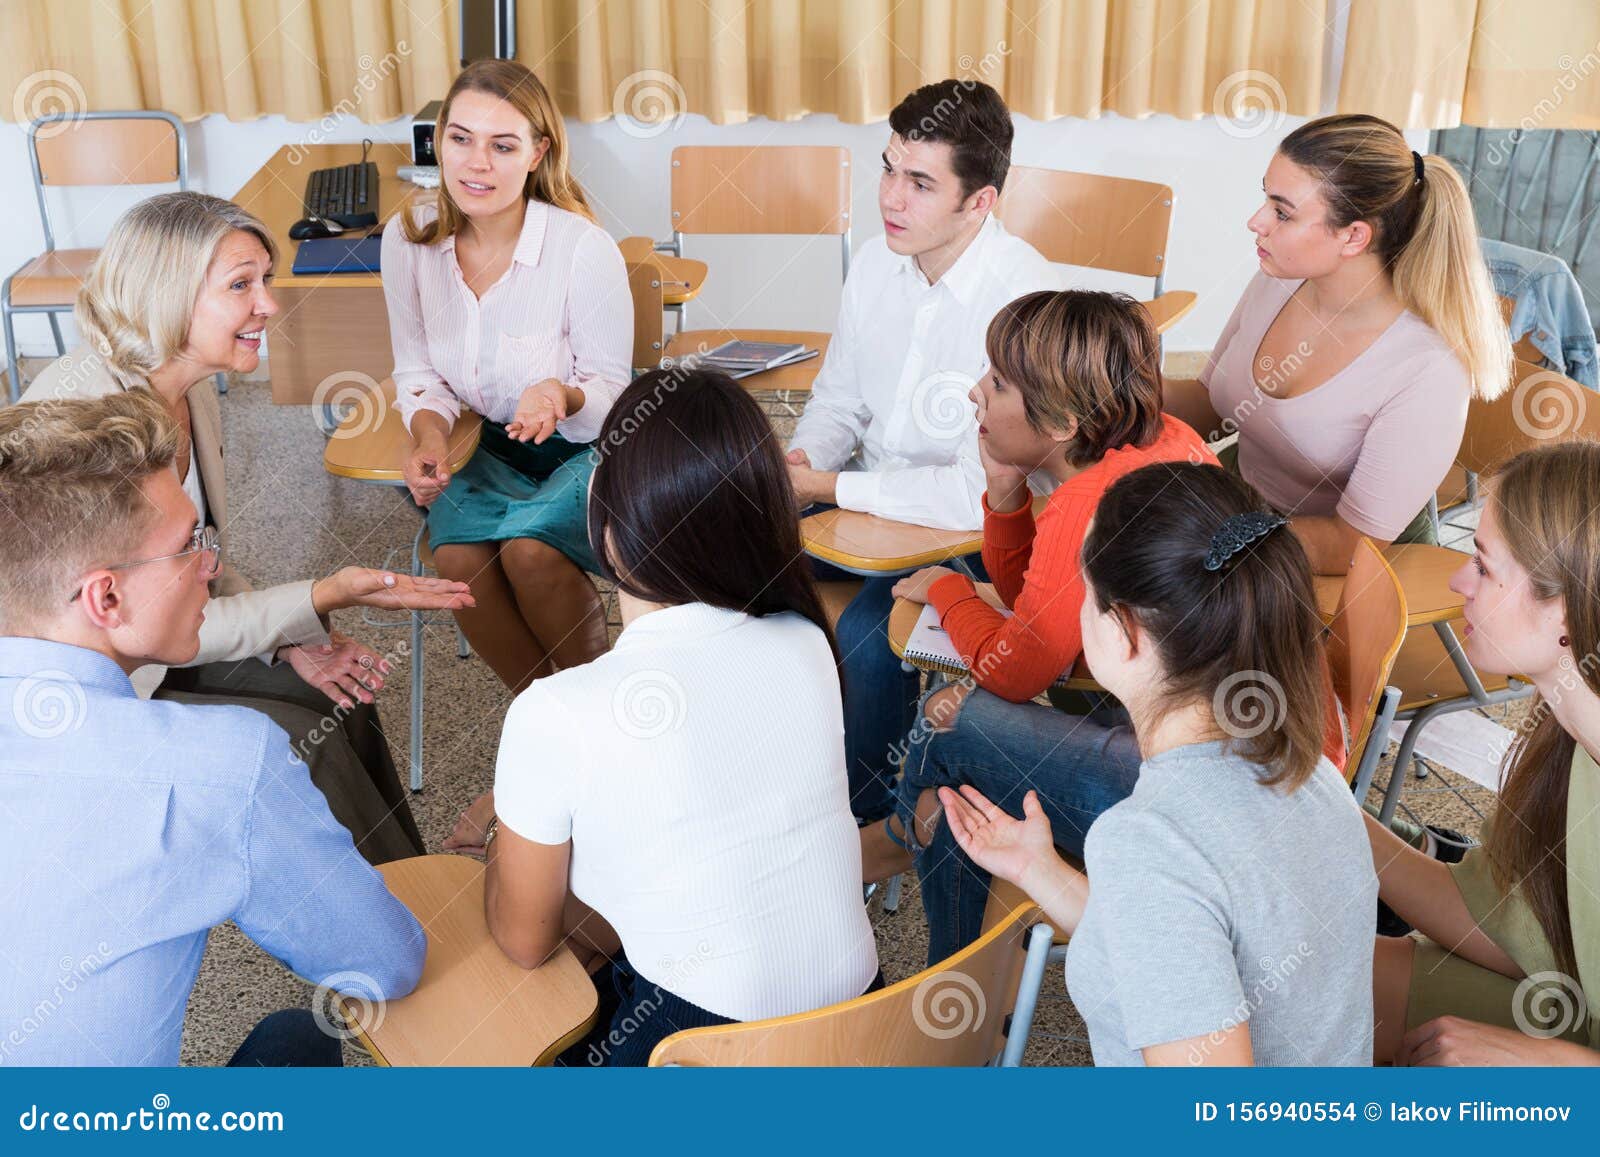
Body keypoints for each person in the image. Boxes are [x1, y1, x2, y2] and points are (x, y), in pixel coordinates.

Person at [22, 191, 473, 865]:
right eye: (241, 285)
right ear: (167, 294)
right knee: (298, 744)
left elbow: (196, 565)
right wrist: (319, 597)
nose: (268, 303)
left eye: (263, 279)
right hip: (91, 688)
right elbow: (138, 620)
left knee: (339, 700)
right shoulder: (88, 424)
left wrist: (291, 639)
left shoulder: (192, 389)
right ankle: (399, 926)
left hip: (157, 640)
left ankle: (414, 889)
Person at [0, 392, 425, 1066]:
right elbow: (387, 964)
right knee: (305, 1037)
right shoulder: (222, 762)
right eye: (186, 547)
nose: (211, 565)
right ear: (105, 597)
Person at [481, 368, 881, 1066]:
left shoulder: (554, 713)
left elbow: (524, 937)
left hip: (702, 1052)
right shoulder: (805, 639)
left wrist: (504, 830)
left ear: (604, 515)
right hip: (863, 1031)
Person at [943, 461, 1377, 1066]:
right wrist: (1041, 870)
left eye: (1084, 592)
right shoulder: (1311, 773)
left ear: (1125, 634)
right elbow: (1183, 939)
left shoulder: (1148, 839)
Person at [861, 292, 1216, 920]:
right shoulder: (1169, 437)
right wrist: (1004, 490)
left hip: (1202, 809)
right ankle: (916, 868)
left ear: (1061, 426)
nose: (974, 393)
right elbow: (1033, 594)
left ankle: (902, 854)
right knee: (971, 764)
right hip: (1244, 765)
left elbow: (1016, 671)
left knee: (956, 727)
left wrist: (950, 590)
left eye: (997, 383)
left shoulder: (1089, 501)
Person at [785, 78, 1061, 824]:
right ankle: (770, 779)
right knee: (724, 563)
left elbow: (982, 488)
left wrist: (830, 489)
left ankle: (870, 827)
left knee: (871, 642)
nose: (890, 198)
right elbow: (840, 396)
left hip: (970, 534)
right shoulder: (879, 261)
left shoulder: (1023, 301)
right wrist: (801, 462)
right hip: (861, 501)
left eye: (919, 182)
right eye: (887, 168)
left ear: (980, 202)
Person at [1164, 113, 1512, 575]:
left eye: (1282, 212)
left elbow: (1351, 543)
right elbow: (1213, 404)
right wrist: (1115, 376)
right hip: (1237, 507)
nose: (1256, 221)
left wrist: (1214, 534)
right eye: (1264, 198)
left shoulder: (1427, 369)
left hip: (1347, 559)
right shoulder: (1278, 280)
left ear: (1353, 236)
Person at [385, 59, 631, 693]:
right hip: (491, 442)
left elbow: (612, 396)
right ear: (438, 140)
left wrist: (560, 393)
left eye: (503, 146)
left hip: (588, 446)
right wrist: (430, 435)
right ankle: (541, 717)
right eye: (461, 139)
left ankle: (596, 712)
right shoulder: (408, 240)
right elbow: (417, 370)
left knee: (530, 551)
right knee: (458, 557)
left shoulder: (582, 248)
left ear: (537, 153)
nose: (477, 164)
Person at [1370, 441, 1600, 1066]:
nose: (1457, 580)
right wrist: (1330, 814)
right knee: (1315, 984)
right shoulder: (1567, 738)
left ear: (1566, 608)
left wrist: (1553, 1068)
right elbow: (1508, 931)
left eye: (1483, 565)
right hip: (1576, 1010)